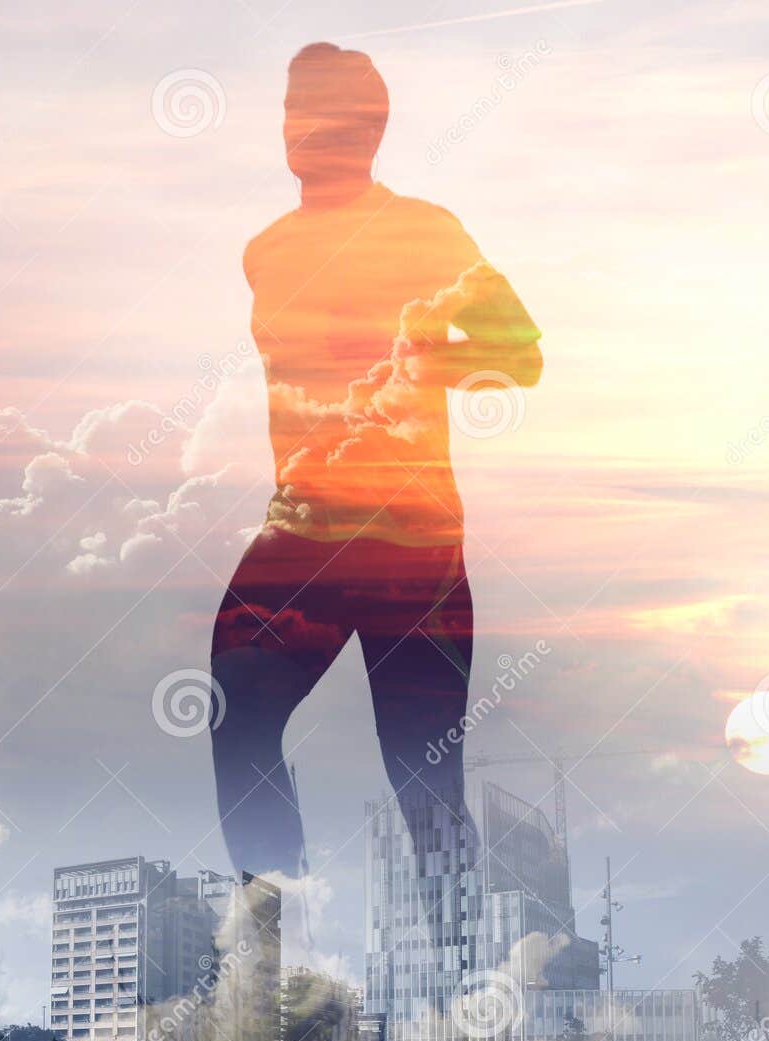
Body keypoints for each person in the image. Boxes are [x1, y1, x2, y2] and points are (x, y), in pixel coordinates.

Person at [210, 42, 542, 886]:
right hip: (301, 534)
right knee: (233, 713)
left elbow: (523, 353)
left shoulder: (425, 231)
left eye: (328, 117)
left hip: (412, 545)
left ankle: (461, 986)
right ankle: (272, 939)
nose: (304, 130)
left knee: (422, 777)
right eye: (294, 111)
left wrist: (425, 363)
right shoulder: (264, 251)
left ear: (370, 132)